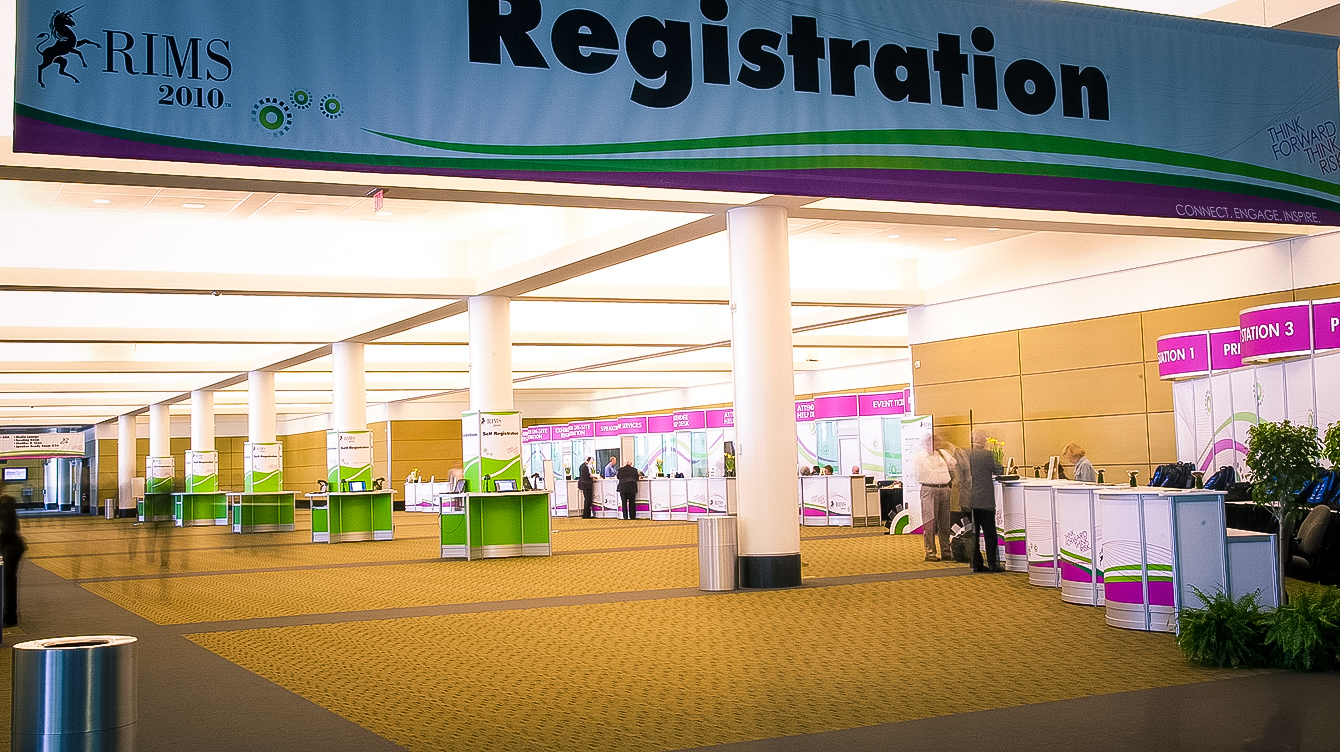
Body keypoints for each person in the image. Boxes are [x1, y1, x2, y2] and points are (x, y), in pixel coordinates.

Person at [965, 429, 1005, 572]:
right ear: (983, 440)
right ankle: (993, 564)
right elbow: (998, 470)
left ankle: (976, 564)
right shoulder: (986, 455)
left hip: (970, 499)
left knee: (974, 534)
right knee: (989, 533)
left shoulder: (967, 453)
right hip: (985, 499)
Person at [911, 436, 954, 561]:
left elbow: (954, 464)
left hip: (945, 488)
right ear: (927, 442)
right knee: (929, 522)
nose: (937, 443)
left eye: (938, 441)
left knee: (945, 522)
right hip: (929, 489)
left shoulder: (943, 454)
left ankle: (946, 551)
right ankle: (930, 552)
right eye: (934, 441)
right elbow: (916, 473)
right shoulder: (920, 457)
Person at [0, 495, 27, 626]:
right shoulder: (6, 503)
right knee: (8, 581)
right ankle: (9, 614)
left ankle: (10, 616)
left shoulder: (5, 505)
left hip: (11, 548)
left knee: (8, 580)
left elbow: (5, 530)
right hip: (9, 546)